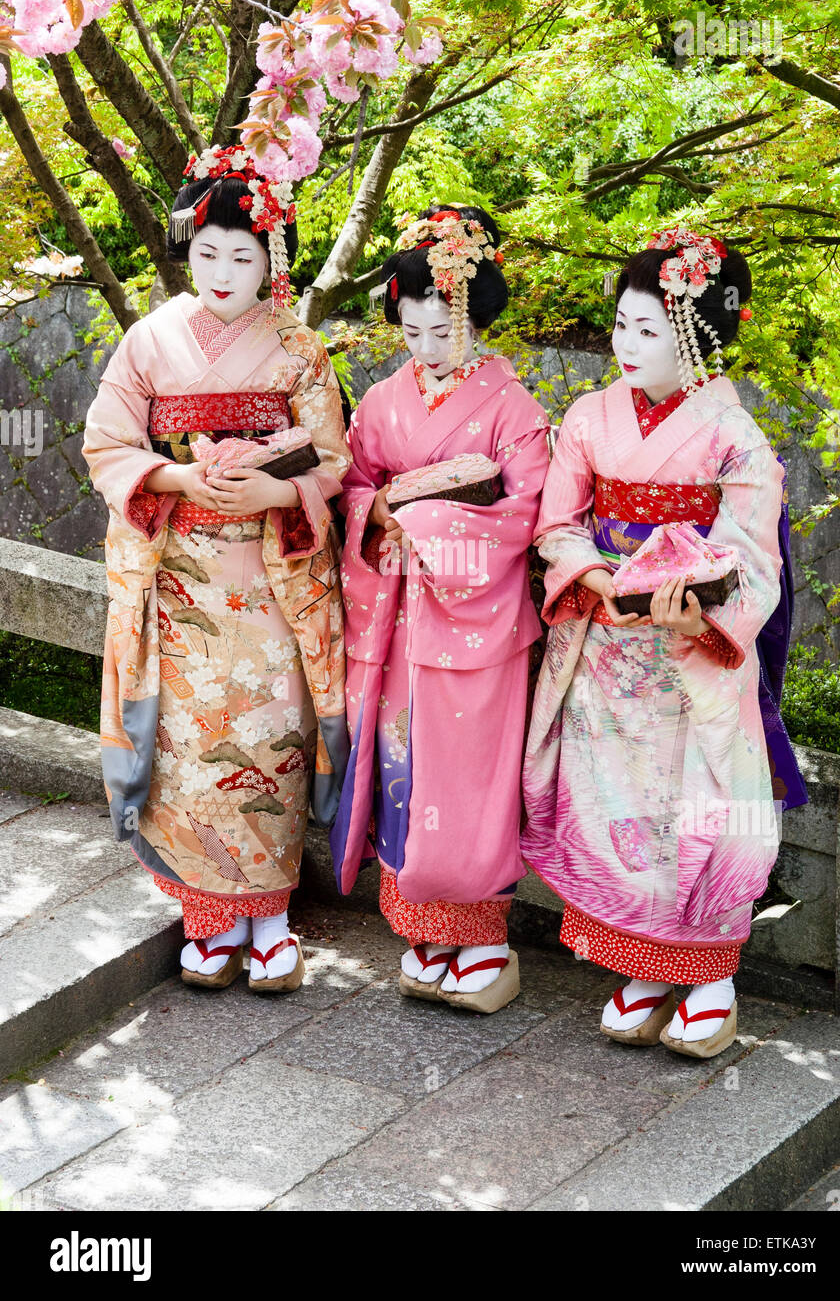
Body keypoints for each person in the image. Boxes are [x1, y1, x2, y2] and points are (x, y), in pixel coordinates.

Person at [521, 228, 807, 1057]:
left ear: (695, 337)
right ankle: (646, 966)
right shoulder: (587, 417)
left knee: (706, 809)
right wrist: (595, 574)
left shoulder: (734, 436)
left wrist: (697, 612)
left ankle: (711, 974)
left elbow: (753, 559)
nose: (625, 345)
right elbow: (558, 524)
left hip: (690, 656)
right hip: (607, 653)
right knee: (617, 808)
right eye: (621, 324)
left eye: (649, 329)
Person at [83, 143, 350, 992]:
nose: (224, 269)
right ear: (186, 254)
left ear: (273, 260)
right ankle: (207, 917)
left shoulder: (301, 349)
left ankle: (270, 919)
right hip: (178, 576)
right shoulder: (150, 340)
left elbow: (336, 463)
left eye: (243, 254)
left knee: (270, 740)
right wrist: (180, 477)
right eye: (207, 253)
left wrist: (273, 494)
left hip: (271, 584)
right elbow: (106, 445)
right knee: (190, 747)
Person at [330, 205, 550, 1013]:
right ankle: (423, 929)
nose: (425, 348)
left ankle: (485, 940)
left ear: (479, 321)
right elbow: (353, 486)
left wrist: (422, 516)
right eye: (413, 332)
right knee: (402, 764)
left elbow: (527, 515)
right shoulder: (383, 401)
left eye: (442, 332)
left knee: (467, 779)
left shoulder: (515, 410)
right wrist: (376, 510)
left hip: (475, 619)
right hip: (396, 615)